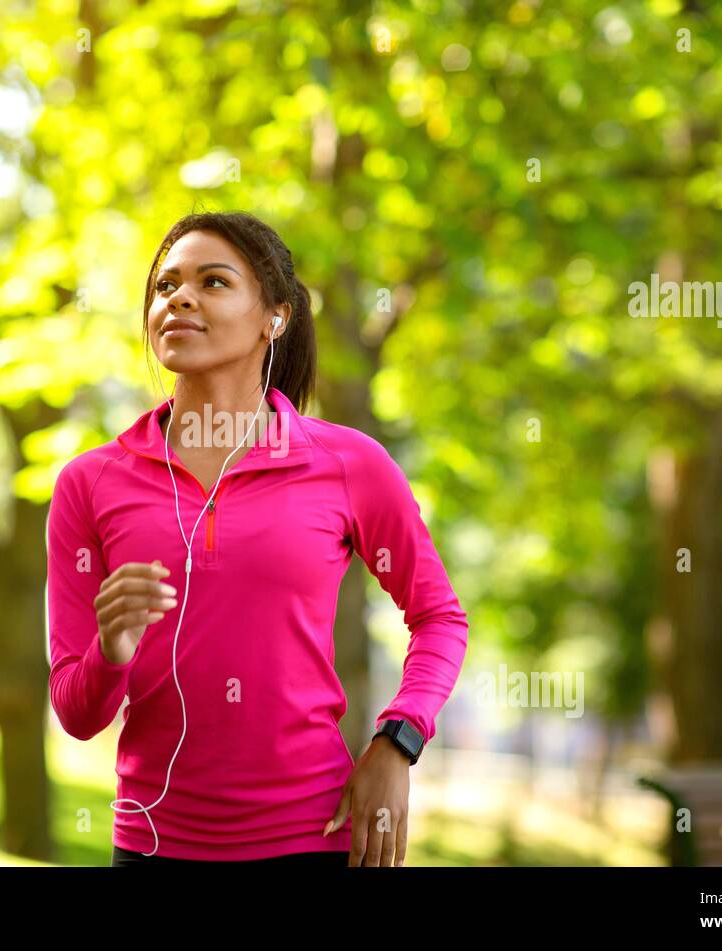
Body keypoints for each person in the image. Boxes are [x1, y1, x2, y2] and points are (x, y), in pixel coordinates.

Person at [45, 210, 469, 866]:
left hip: (311, 840)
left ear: (275, 317)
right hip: (152, 846)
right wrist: (111, 648)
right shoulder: (91, 482)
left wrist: (397, 742)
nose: (179, 297)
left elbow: (439, 616)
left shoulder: (347, 464)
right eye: (165, 286)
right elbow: (77, 714)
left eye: (213, 282)